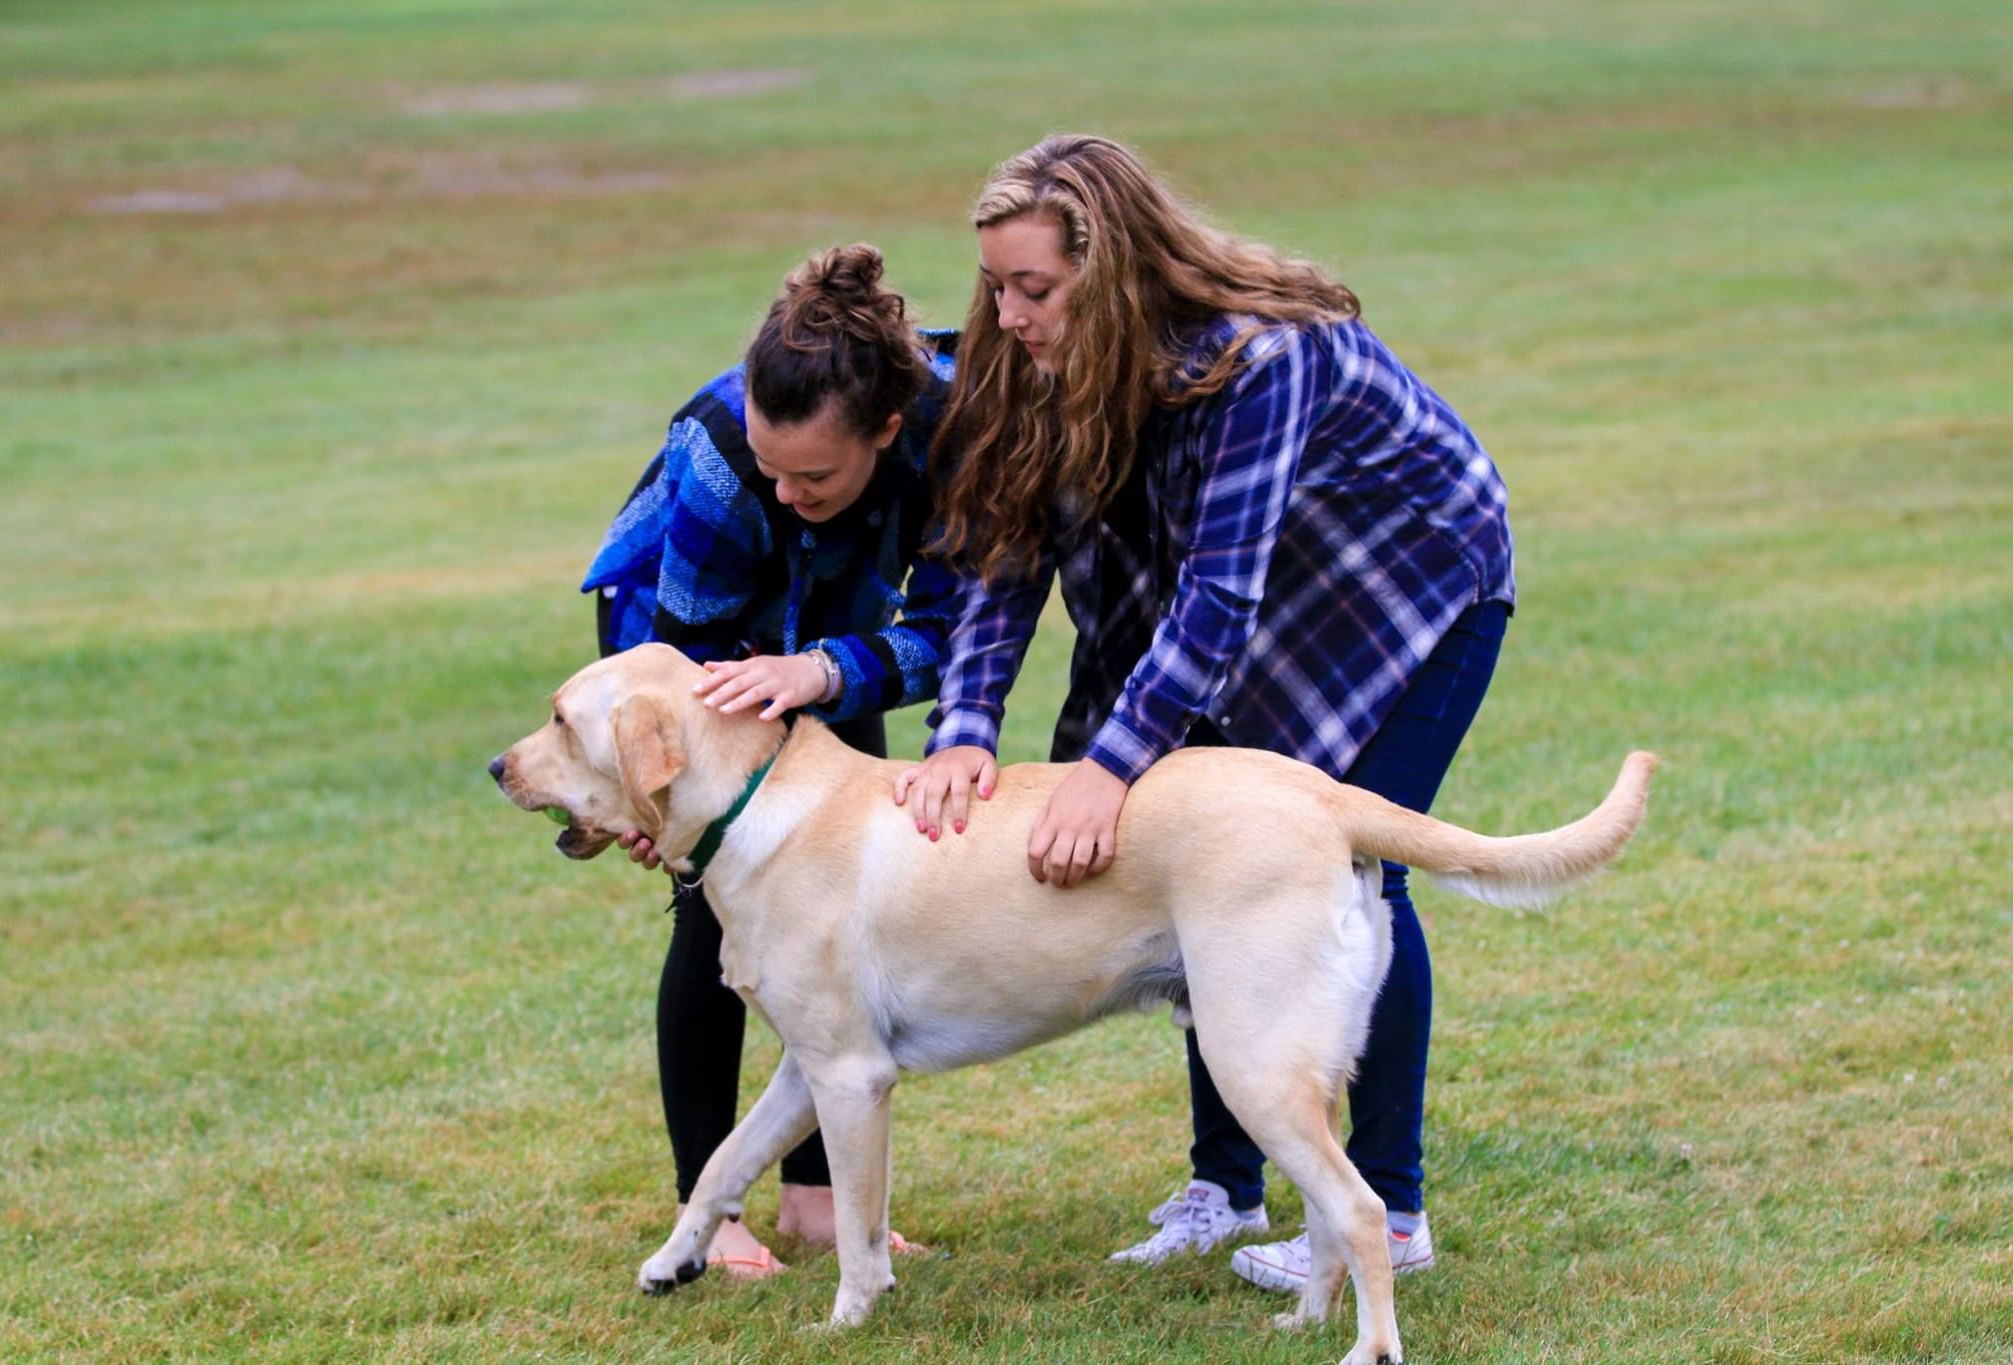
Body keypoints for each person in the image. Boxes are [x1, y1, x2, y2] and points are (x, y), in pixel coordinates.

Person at [893, 135, 1515, 1290]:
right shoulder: (1015, 350)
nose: (1008, 313)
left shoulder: (1259, 359)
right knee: (1194, 862)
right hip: (1207, 593)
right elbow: (997, 549)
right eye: (993, 284)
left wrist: (1110, 764)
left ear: (1113, 269)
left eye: (1034, 289)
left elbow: (1219, 596)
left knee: (1350, 863)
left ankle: (1391, 1210)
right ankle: (1225, 1191)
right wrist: (967, 724)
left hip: (1406, 579)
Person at [584, 244, 956, 1278]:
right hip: (693, 644)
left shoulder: (950, 431)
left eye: (815, 473)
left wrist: (826, 673)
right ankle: (712, 1208)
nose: (788, 490)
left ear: (885, 430)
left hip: (834, 639)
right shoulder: (719, 453)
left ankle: (817, 1203)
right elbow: (680, 669)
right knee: (718, 915)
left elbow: (947, 631)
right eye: (772, 465)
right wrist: (658, 803)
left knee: (825, 918)